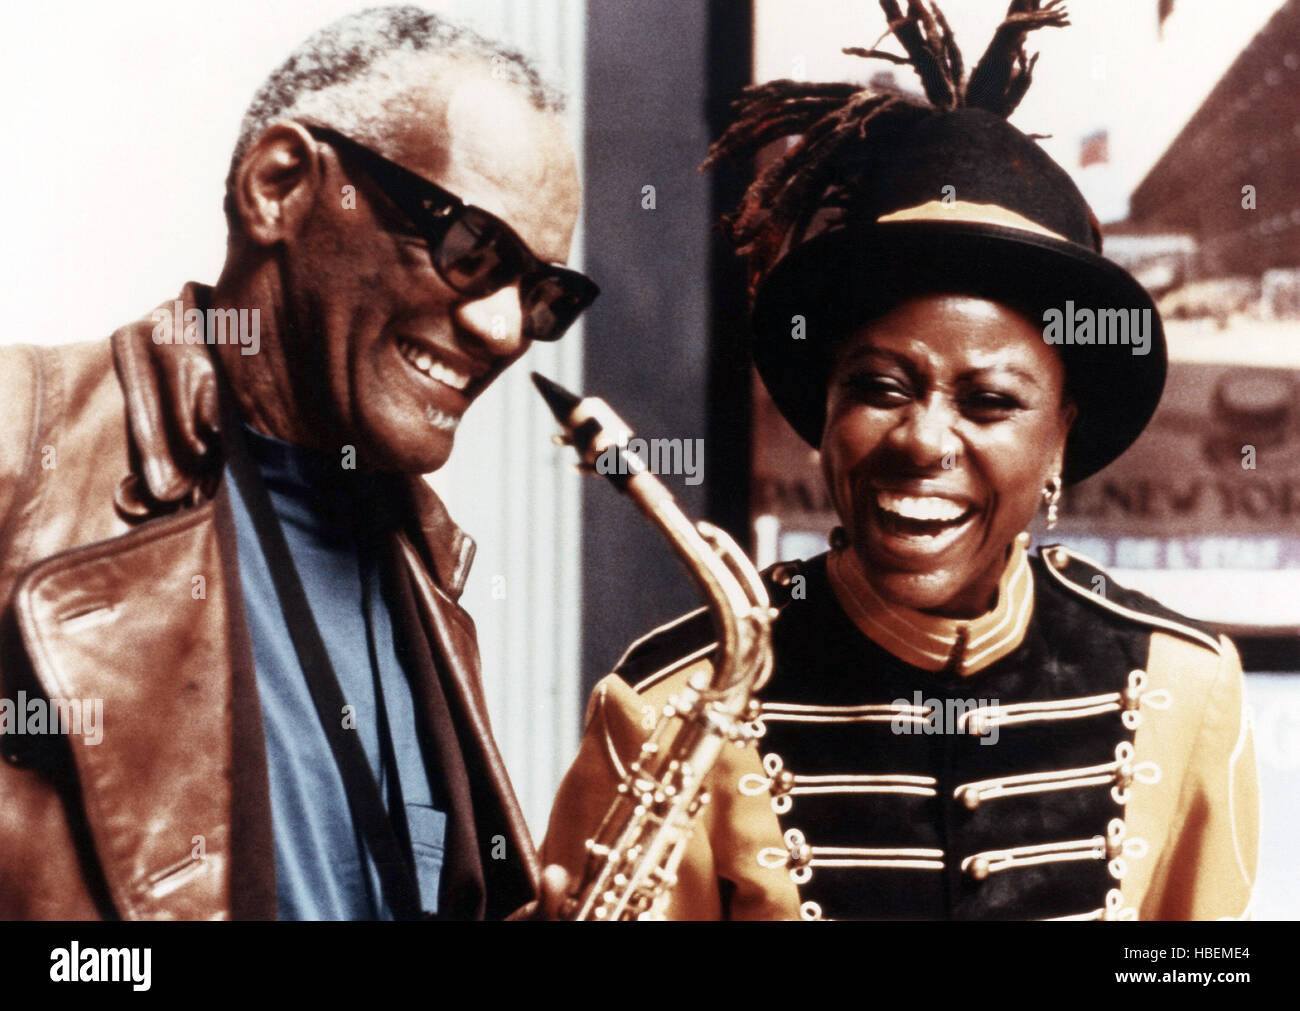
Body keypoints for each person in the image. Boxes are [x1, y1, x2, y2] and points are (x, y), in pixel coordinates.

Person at [541, 0, 1258, 920]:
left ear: (1061, 440)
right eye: (880, 386)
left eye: (991, 401)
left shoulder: (1186, 683)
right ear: (827, 411)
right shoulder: (663, 702)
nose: (923, 441)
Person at [0, 6, 596, 920]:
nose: (506, 329)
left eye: (543, 293)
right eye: (472, 250)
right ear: (278, 186)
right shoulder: (18, 439)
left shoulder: (427, 572)